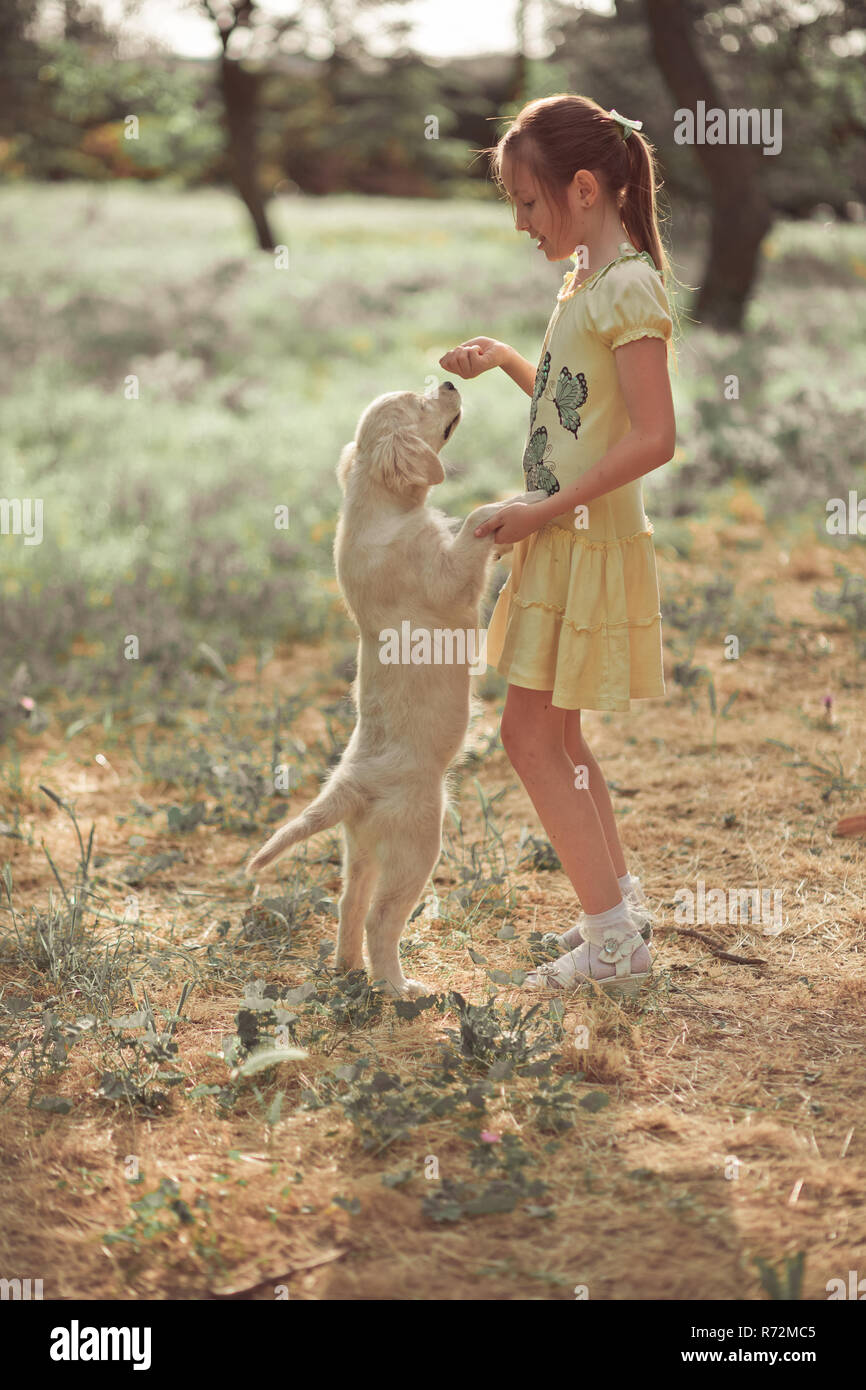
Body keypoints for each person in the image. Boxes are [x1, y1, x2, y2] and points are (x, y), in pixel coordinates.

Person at [439, 94, 677, 995]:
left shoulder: (629, 288)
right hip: (561, 528)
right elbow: (582, 407)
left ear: (584, 188)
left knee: (528, 734)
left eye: (528, 202)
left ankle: (612, 943)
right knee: (559, 734)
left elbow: (653, 436)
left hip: (579, 535)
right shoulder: (587, 281)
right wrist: (508, 360)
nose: (520, 221)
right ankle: (623, 914)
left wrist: (541, 510)